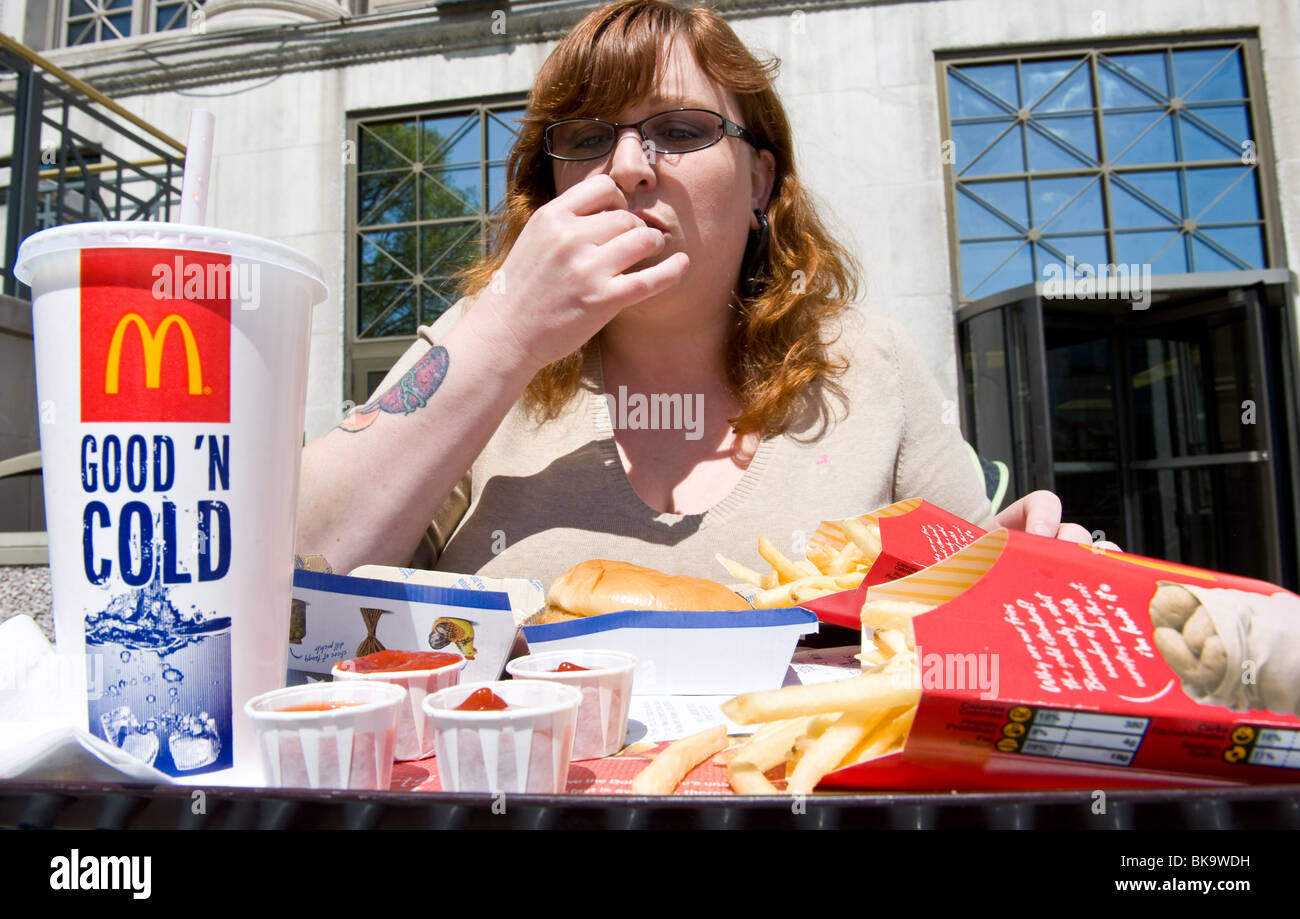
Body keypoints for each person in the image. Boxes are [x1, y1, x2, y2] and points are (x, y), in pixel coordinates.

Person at [296, 0, 1100, 585]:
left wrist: (1018, 564)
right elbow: (296, 566)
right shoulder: (478, 346)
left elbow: (962, 600)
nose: (629, 167)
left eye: (680, 131)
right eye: (586, 138)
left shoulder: (869, 362)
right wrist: (506, 331)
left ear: (760, 181)